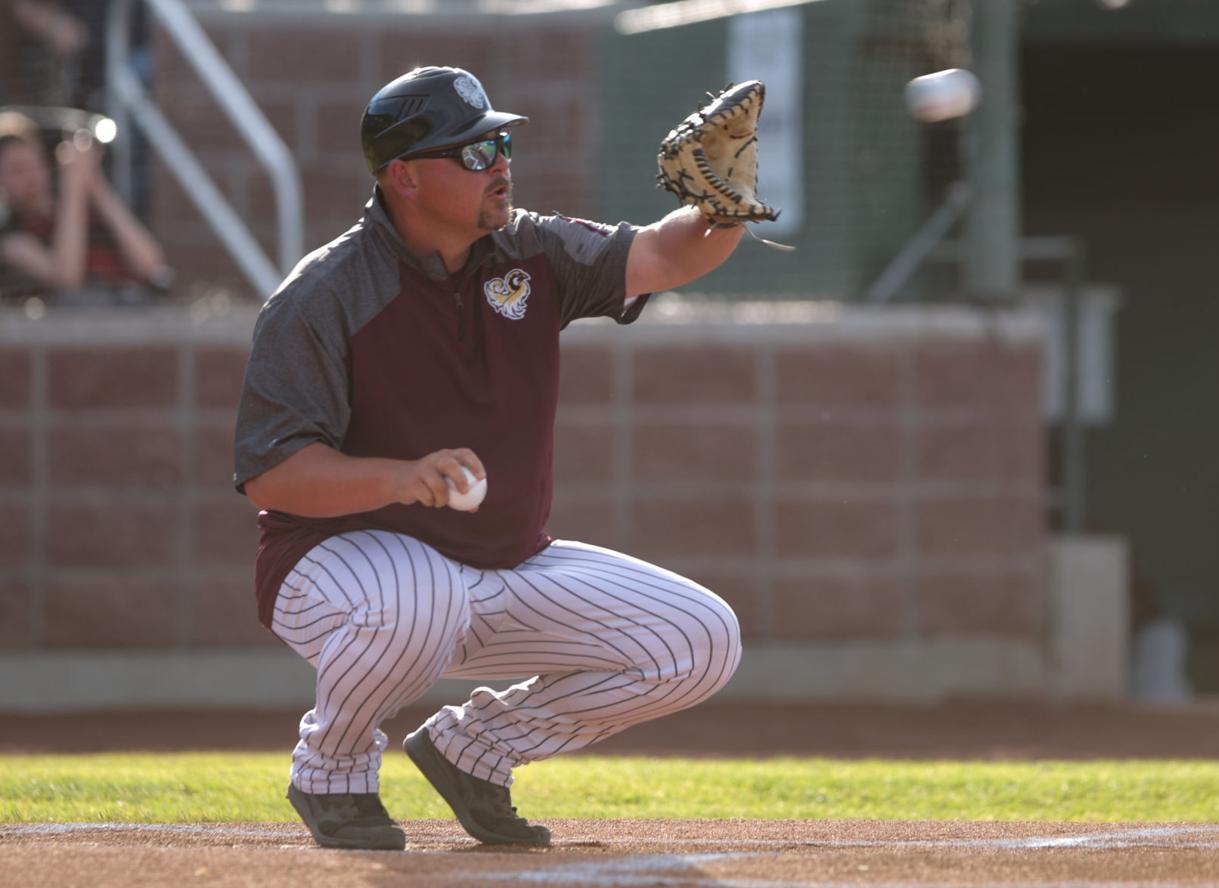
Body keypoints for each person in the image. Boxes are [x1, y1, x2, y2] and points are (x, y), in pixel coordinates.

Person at [232, 66, 747, 851]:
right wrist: (399, 478)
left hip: (498, 566)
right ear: (403, 176)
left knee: (699, 639)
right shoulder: (326, 293)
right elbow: (272, 472)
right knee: (418, 593)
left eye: (500, 143)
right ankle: (331, 768)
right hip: (332, 570)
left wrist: (720, 206)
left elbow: (664, 259)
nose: (500, 163)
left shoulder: (529, 247)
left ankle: (474, 750)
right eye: (473, 152)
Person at [0, 110, 169, 303]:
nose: (31, 177)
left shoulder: (90, 213)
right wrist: (73, 191)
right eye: (17, 170)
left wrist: (96, 186)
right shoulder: (12, 238)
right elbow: (67, 280)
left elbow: (151, 265)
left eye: (35, 164)